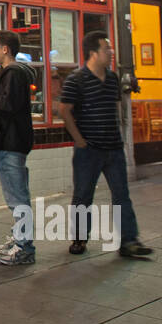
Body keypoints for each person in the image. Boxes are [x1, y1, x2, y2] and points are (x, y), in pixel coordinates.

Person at [60, 32, 152, 259]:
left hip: (113, 148)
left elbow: (117, 107)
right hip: (88, 150)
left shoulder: (112, 79)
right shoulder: (76, 79)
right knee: (83, 195)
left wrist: (120, 133)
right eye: (106, 49)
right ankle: (79, 238)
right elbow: (65, 111)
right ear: (93, 53)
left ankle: (129, 241)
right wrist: (79, 140)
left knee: (122, 195)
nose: (111, 53)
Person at [0, 30, 36, 265]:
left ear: (5, 49)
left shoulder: (13, 73)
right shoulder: (15, 73)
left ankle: (25, 248)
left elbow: (8, 104)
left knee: (17, 198)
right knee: (16, 196)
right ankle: (19, 238)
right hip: (11, 142)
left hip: (11, 143)